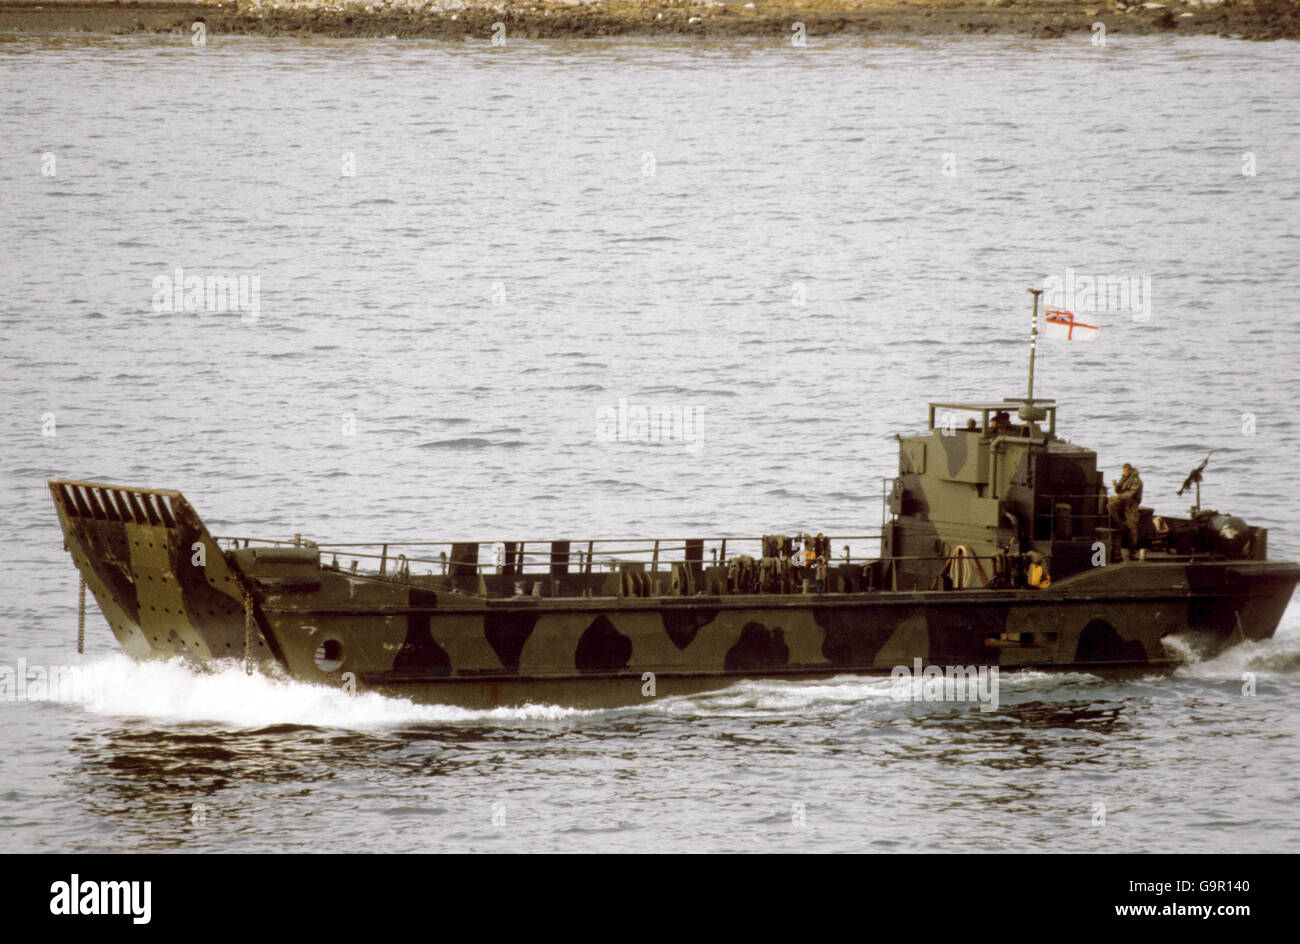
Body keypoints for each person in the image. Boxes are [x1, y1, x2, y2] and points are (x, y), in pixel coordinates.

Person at [1108, 463, 1144, 559]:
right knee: (1110, 506)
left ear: (1130, 470)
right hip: (1123, 503)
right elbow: (1120, 491)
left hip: (1131, 506)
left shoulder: (1136, 481)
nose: (1124, 473)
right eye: (1123, 471)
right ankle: (1119, 524)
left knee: (1132, 528)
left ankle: (1132, 551)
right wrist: (1116, 485)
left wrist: (1118, 496)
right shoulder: (1124, 479)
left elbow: (1130, 494)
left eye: (1125, 471)